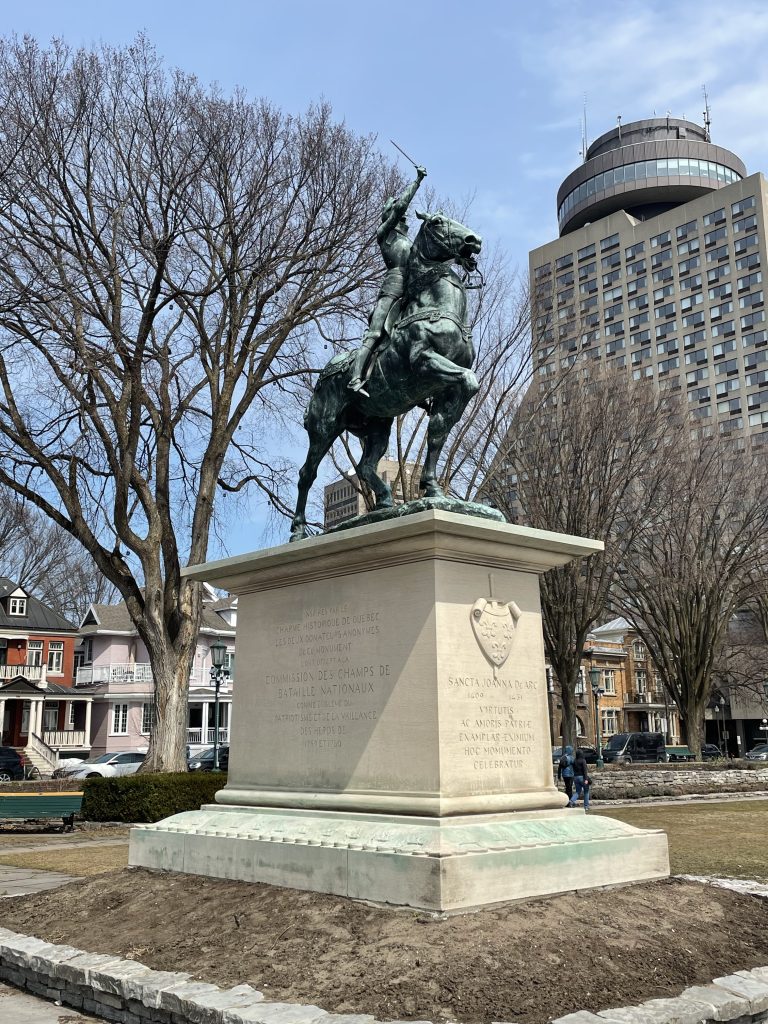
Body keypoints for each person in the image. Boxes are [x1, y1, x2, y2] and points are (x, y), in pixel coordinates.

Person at [348, 164, 427, 396]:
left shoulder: (409, 242)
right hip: (392, 289)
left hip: (410, 291)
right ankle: (355, 378)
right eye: (396, 209)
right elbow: (401, 206)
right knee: (375, 334)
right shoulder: (385, 233)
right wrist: (417, 182)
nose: (403, 213)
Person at [569, 747, 591, 811]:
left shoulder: (574, 761)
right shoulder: (583, 760)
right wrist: (586, 779)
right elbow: (585, 770)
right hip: (582, 777)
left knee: (578, 791)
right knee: (586, 791)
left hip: (575, 777)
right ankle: (586, 806)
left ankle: (571, 801)